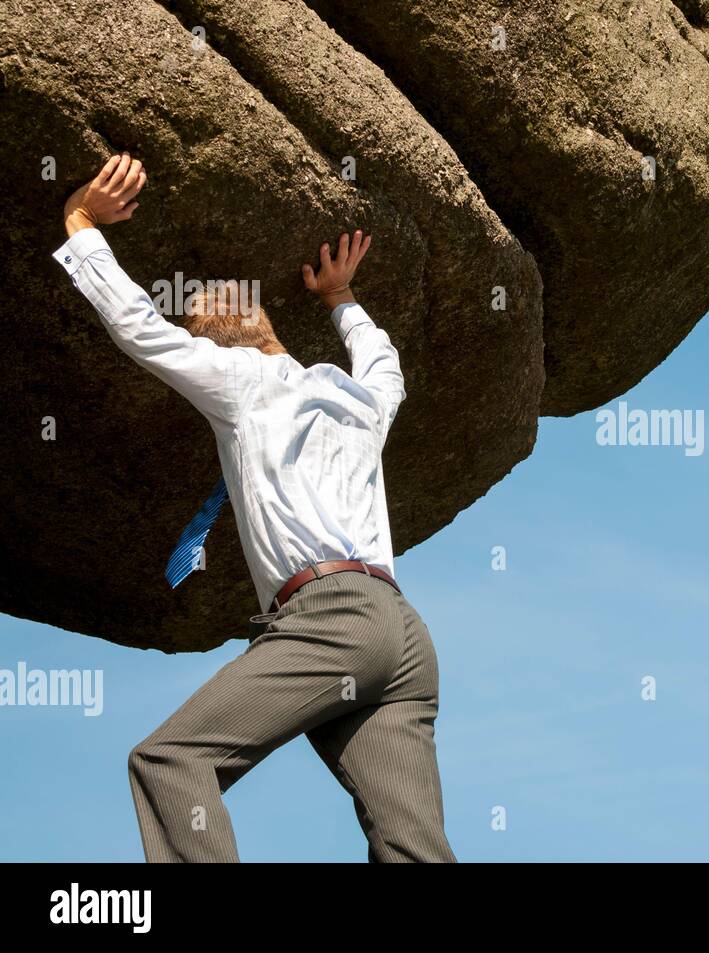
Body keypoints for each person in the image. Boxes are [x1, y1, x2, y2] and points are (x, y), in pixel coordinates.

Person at [54, 152, 456, 862]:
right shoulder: (358, 401)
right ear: (270, 327)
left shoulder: (242, 381)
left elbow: (141, 329)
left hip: (332, 619)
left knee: (169, 761)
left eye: (198, 326)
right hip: (404, 636)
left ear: (216, 346)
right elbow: (385, 364)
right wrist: (342, 300)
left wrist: (81, 223)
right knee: (413, 845)